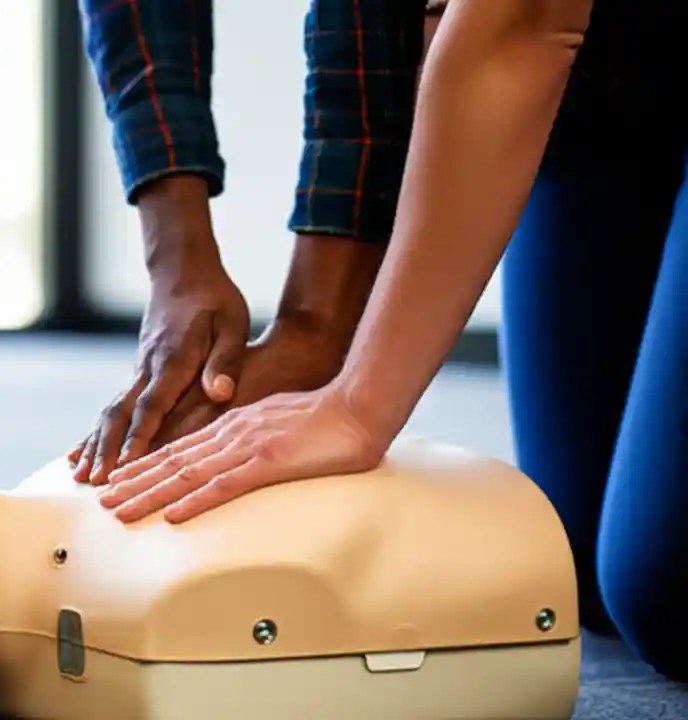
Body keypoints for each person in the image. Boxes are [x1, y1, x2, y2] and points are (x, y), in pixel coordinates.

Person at [72, 0, 688, 681]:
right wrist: (186, 266)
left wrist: (357, 400)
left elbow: (522, 23)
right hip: (605, 64)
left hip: (538, 20)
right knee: (571, 572)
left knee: (665, 587)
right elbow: (365, 21)